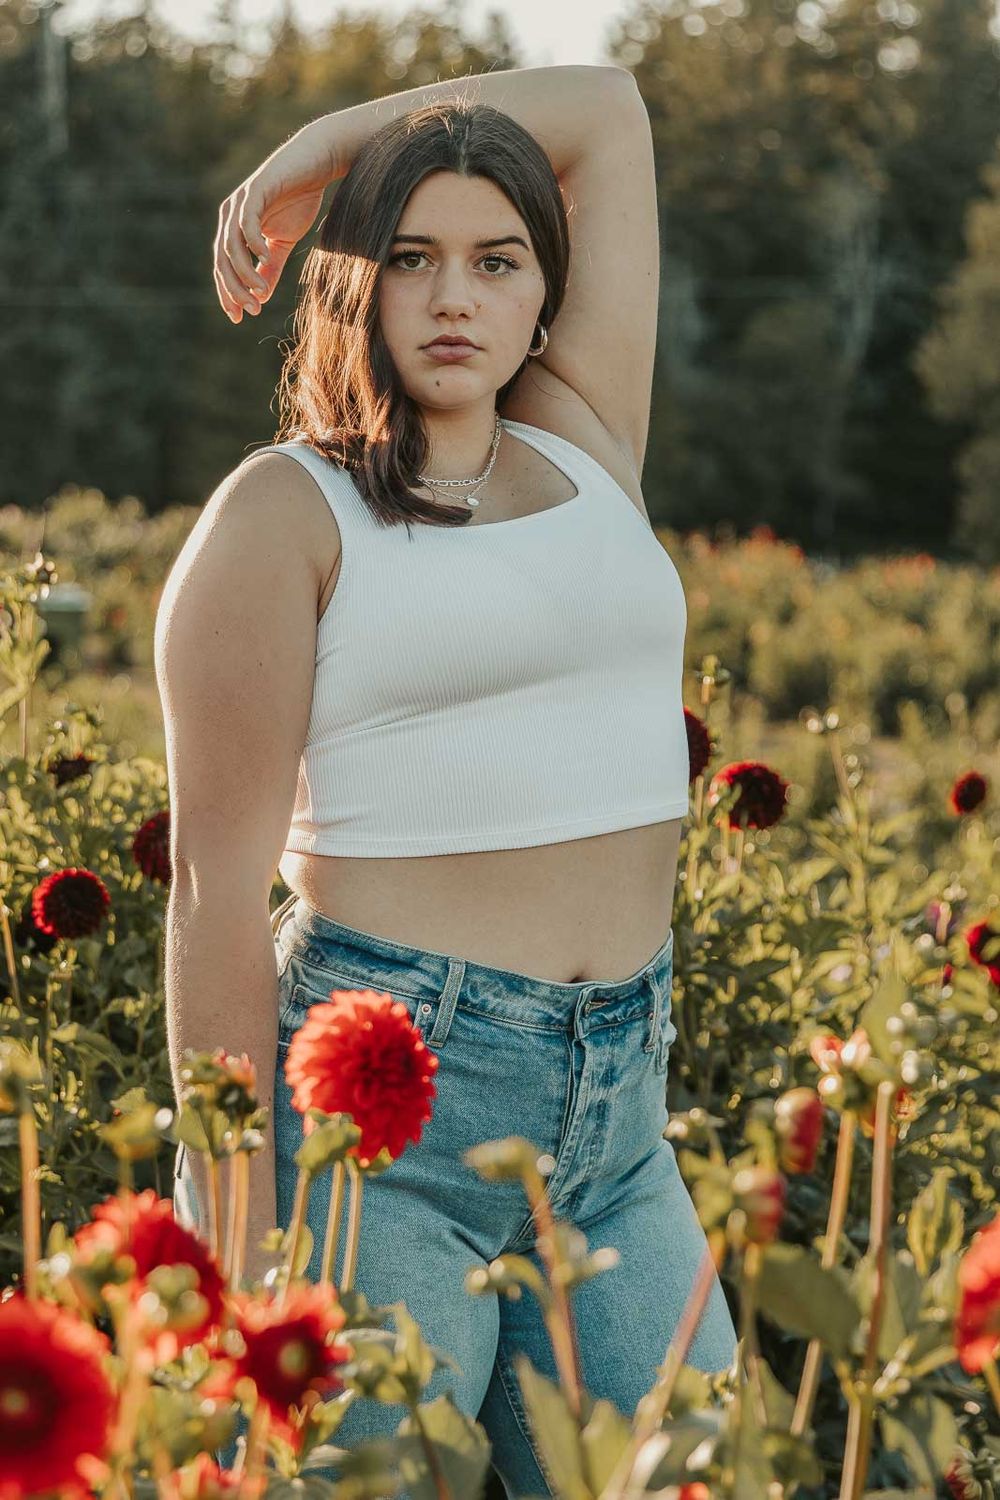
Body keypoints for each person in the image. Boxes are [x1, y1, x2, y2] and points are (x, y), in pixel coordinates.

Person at [156, 63, 737, 1500]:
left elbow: (605, 108)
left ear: (547, 290)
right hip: (378, 1130)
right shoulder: (284, 513)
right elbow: (213, 896)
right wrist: (237, 1228)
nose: (454, 298)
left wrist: (325, 143)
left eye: (497, 260)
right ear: (356, 283)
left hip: (620, 1125)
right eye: (408, 257)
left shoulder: (587, 437)